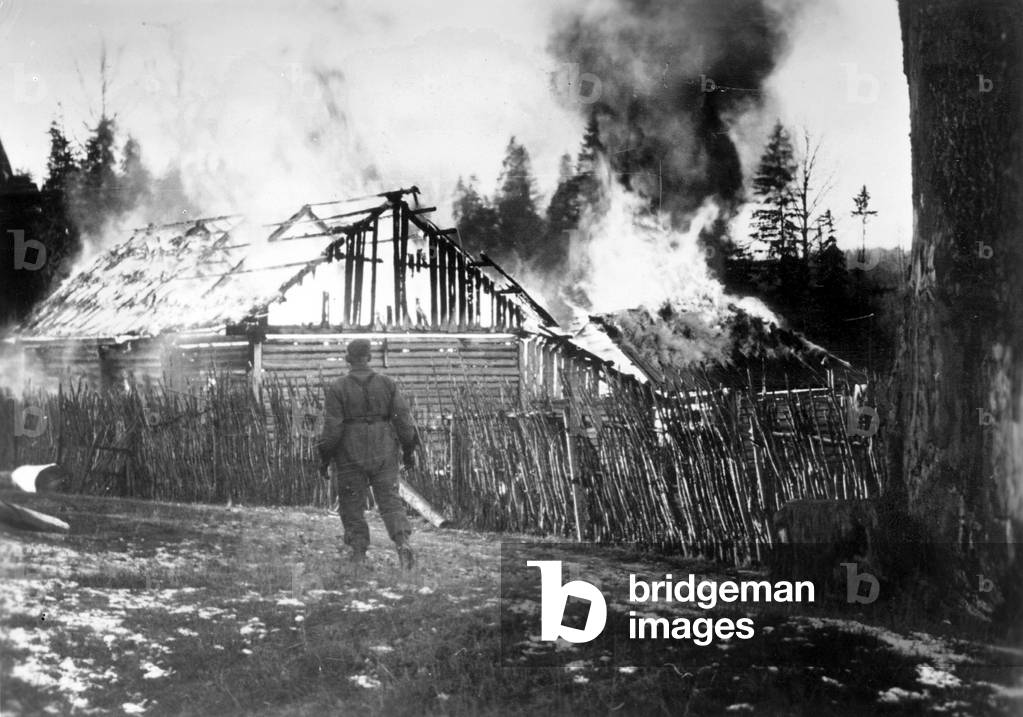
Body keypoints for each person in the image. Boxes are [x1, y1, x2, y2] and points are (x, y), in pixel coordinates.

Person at [317, 339, 419, 569]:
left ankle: (358, 552)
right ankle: (403, 543)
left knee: (351, 502)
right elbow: (404, 421)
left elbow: (332, 429)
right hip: (384, 449)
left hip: (351, 452)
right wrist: (409, 450)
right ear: (369, 357)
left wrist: (324, 457)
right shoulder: (387, 384)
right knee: (390, 501)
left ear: (348, 358)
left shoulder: (338, 387)